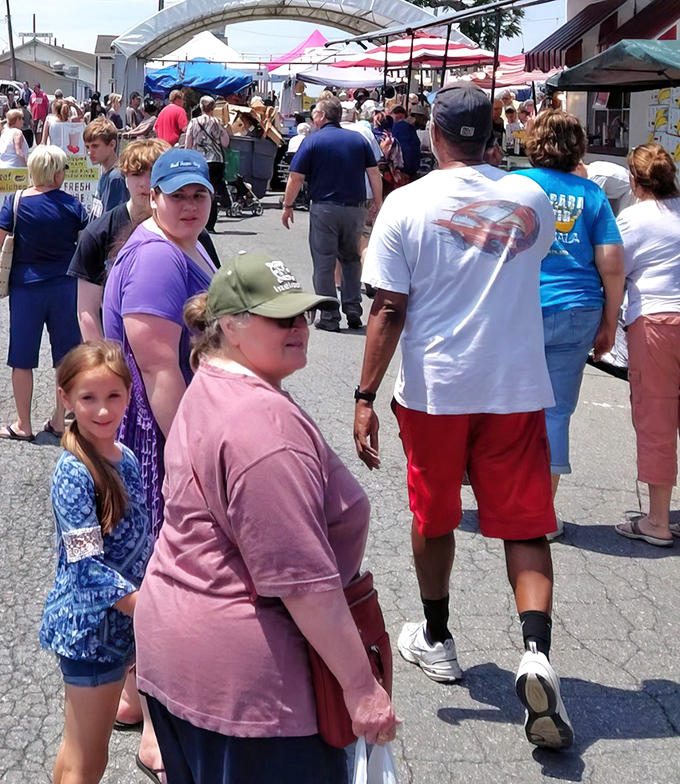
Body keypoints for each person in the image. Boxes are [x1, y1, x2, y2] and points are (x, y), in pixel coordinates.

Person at [355, 83, 574, 750]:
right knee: (526, 522)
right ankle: (535, 651)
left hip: (437, 389)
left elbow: (389, 308)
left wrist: (363, 395)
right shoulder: (531, 196)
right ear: (493, 134)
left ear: (434, 135)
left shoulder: (406, 204)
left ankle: (438, 634)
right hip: (513, 385)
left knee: (435, 513)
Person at [134, 253, 398, 783]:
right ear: (229, 326)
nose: (300, 327)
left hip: (180, 658)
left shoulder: (213, 380)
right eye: (281, 318)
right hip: (250, 694)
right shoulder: (263, 428)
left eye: (302, 315)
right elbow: (303, 583)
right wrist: (361, 687)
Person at [40, 341, 153, 784]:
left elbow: (143, 536)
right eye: (88, 398)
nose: (103, 410)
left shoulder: (124, 457)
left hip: (117, 630)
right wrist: (149, 609)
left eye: (114, 397)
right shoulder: (74, 471)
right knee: (88, 760)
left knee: (82, 752)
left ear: (129, 395)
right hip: (90, 634)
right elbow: (87, 566)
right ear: (66, 399)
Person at [518, 110, 624, 538]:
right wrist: (610, 323)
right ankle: (542, 514)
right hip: (578, 308)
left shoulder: (516, 185)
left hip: (519, 308)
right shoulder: (591, 196)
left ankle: (500, 497)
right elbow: (612, 264)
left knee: (506, 403)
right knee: (556, 411)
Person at [102, 148, 217, 534]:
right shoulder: (158, 257)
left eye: (198, 195)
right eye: (177, 196)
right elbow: (158, 370)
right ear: (153, 197)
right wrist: (193, 455)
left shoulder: (186, 239)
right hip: (158, 427)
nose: (190, 206)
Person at [70, 138, 220, 342]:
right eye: (136, 173)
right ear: (124, 177)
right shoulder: (98, 233)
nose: (144, 182)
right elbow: (87, 312)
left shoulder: (192, 232)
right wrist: (103, 365)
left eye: (152, 173)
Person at [613, 144, 680, 547]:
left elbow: (617, 270)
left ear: (635, 182)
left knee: (656, 415)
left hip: (655, 319)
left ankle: (657, 520)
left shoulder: (633, 219)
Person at [0, 145, 88, 442]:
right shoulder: (74, 206)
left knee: (22, 358)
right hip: (66, 286)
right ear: (57, 172)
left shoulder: (15, 202)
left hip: (26, 287)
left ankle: (23, 424)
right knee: (66, 356)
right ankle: (60, 420)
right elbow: (86, 246)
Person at [281, 96, 382, 332]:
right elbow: (374, 173)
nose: (312, 117)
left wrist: (288, 205)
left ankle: (329, 315)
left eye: (315, 113)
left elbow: (296, 177)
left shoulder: (312, 141)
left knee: (324, 262)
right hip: (355, 208)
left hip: (324, 208)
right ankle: (353, 308)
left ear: (323, 116)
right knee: (351, 259)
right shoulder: (357, 140)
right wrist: (378, 203)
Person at [185, 95, 230, 233]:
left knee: (199, 191)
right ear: (213, 108)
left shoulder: (194, 122)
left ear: (201, 106)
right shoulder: (217, 122)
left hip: (199, 161)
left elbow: (188, 143)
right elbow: (225, 142)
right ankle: (211, 224)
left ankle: (199, 223)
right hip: (216, 161)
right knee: (213, 192)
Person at [84, 117, 129, 220]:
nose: (90, 152)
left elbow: (115, 223)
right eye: (88, 147)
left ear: (112, 144)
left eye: (95, 146)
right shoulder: (106, 173)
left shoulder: (116, 177)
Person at [390, 104, 422, 180]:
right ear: (418, 117)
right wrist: (408, 170)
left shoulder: (404, 127)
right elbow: (407, 150)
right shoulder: (405, 128)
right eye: (423, 120)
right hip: (405, 171)